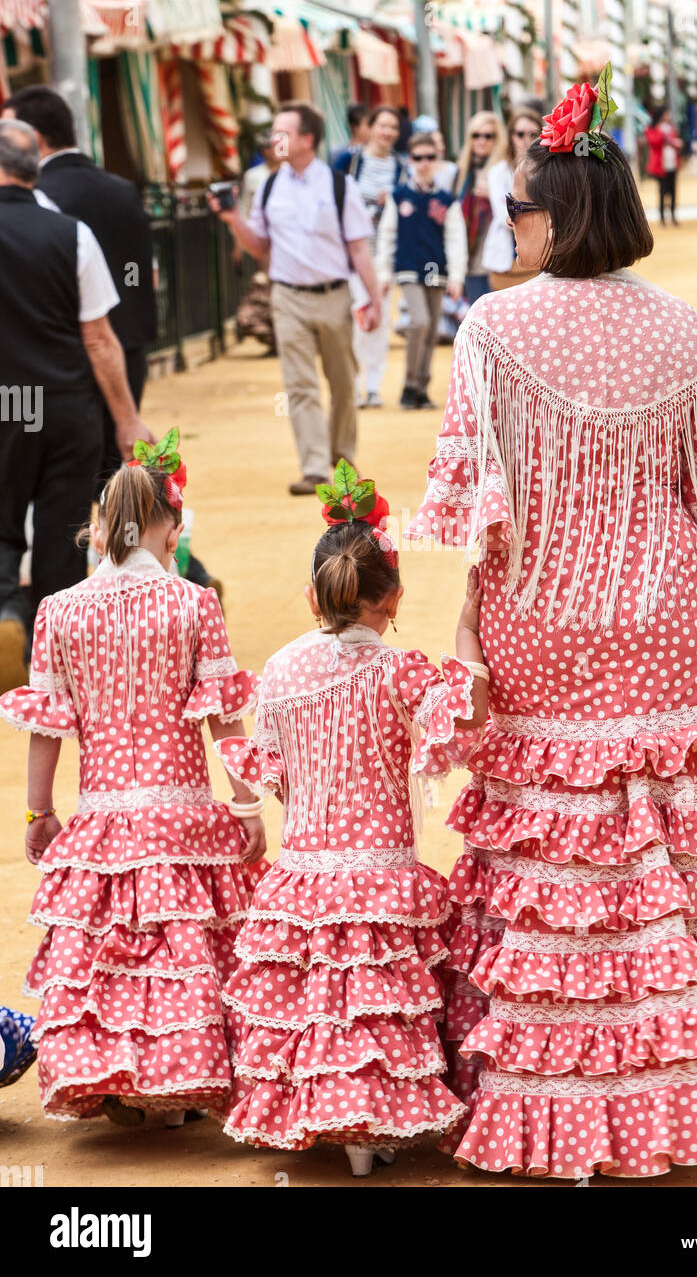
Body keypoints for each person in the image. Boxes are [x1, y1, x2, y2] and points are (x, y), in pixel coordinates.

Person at [408, 72, 697, 1179]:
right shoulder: (682, 325)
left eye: (512, 209)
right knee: (689, 846)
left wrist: (473, 622)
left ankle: (556, 1088)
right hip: (671, 614)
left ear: (556, 215)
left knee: (560, 843)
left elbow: (478, 499)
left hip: (544, 611)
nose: (500, 223)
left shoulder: (492, 327)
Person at [216, 465, 485, 1174]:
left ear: (314, 592)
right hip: (383, 874)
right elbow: (465, 725)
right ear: (392, 598)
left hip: (302, 876)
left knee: (319, 1005)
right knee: (373, 1006)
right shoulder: (403, 671)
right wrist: (469, 626)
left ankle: (330, 1121)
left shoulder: (278, 670)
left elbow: (265, 773)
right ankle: (375, 1127)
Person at [0, 436, 267, 1125]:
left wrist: (39, 815)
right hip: (182, 817)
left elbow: (48, 727)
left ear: (101, 526)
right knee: (182, 956)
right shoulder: (194, 603)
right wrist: (245, 805)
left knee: (109, 957)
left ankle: (119, 1075)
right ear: (168, 526)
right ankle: (179, 1084)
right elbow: (223, 720)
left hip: (101, 818)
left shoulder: (59, 609)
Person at [0, 119, 151, 694]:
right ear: (32, 167)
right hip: (66, 403)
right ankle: (57, 657)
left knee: (2, 526)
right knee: (63, 529)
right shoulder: (71, 233)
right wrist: (126, 417)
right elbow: (99, 339)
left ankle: (5, 617)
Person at [212, 102, 381, 497]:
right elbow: (259, 245)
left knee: (342, 382)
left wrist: (373, 300)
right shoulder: (269, 186)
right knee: (299, 386)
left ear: (307, 139)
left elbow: (359, 250)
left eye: (282, 133)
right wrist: (232, 220)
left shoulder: (340, 186)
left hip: (333, 295)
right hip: (286, 296)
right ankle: (314, 468)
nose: (274, 141)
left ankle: (343, 460)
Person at [3, 85, 157, 491]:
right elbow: (141, 274)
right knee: (113, 481)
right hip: (128, 352)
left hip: (62, 365)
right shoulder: (123, 189)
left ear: (32, 138)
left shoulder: (37, 198)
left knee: (58, 488)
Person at [376, 132, 467, 411]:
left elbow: (455, 238)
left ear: (438, 160)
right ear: (410, 160)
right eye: (418, 157)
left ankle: (421, 389)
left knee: (430, 330)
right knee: (420, 322)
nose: (424, 163)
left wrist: (457, 276)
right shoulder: (399, 195)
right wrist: (382, 274)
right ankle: (409, 383)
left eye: (430, 157)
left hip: (436, 270)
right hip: (408, 269)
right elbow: (387, 235)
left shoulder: (445, 199)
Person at [334, 105, 404, 409]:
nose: (387, 132)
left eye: (393, 127)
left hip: (382, 256)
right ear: (369, 126)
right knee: (352, 319)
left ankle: (372, 386)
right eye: (382, 125)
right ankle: (351, 383)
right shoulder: (347, 160)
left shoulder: (402, 168)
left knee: (378, 319)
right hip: (348, 256)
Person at [483, 107, 543, 286]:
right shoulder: (498, 172)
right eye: (520, 134)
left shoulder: (548, 171)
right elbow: (504, 216)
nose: (526, 140)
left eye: (533, 134)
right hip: (504, 257)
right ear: (511, 136)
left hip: (538, 258)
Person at [454, 111, 508, 305]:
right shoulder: (462, 172)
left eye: (488, 136)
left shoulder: (503, 170)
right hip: (469, 256)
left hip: (496, 256)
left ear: (497, 139)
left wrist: (492, 196)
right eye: (476, 135)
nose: (481, 141)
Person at [234, 135, 281, 357]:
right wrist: (239, 243)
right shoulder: (254, 177)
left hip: (288, 242)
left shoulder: (292, 172)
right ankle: (272, 338)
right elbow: (244, 209)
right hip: (262, 242)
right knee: (264, 288)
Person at [644, 106, 683, 225]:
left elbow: (676, 140)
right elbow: (654, 142)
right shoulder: (653, 129)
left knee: (673, 190)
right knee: (662, 191)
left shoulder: (671, 127)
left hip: (672, 163)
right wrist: (661, 133)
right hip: (661, 165)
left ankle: (672, 214)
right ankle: (662, 216)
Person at [329, 103, 369, 168]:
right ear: (354, 127)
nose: (371, 129)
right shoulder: (337, 152)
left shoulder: (373, 152)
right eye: (367, 125)